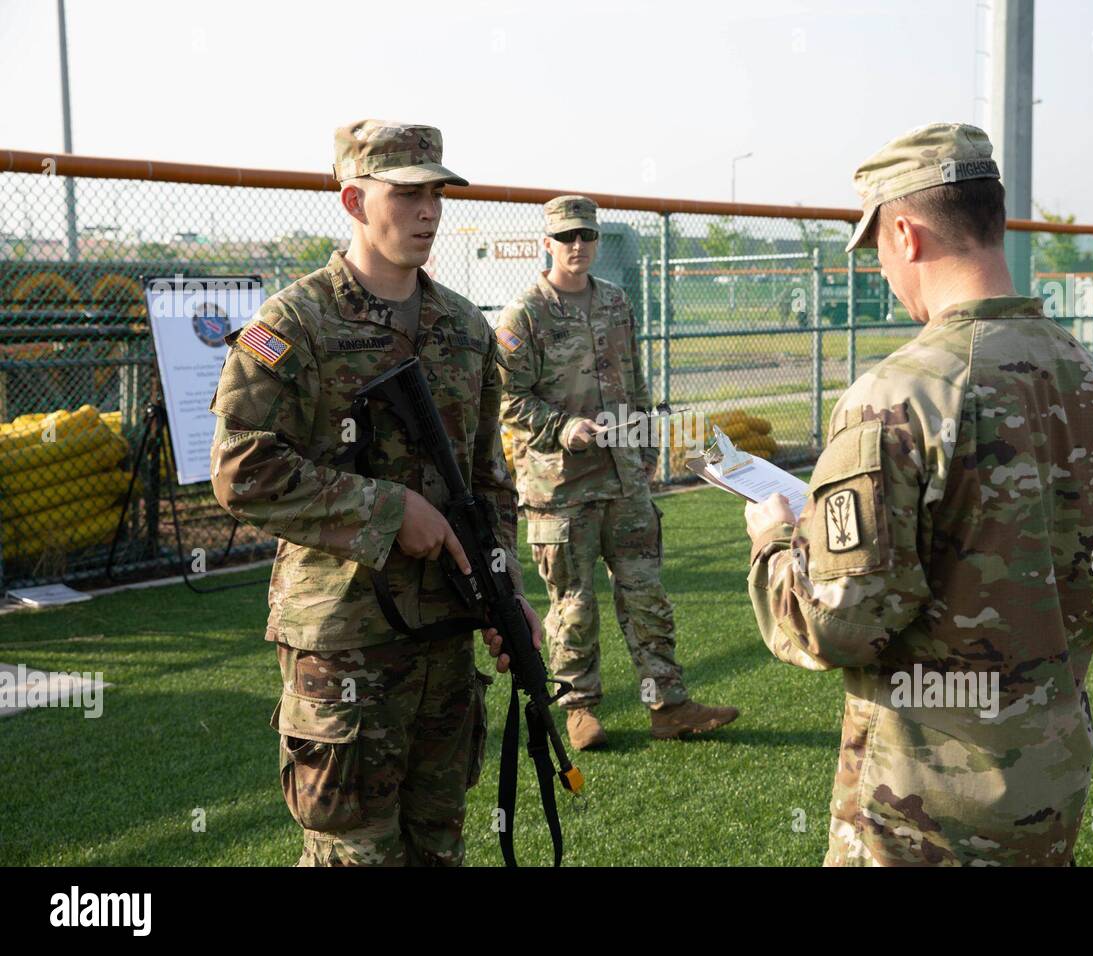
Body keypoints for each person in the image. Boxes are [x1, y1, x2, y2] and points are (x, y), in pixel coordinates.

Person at [743, 123, 1093, 865]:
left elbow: (834, 626)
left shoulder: (897, 395)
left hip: (922, 810)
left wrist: (772, 538)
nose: (884, 271)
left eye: (879, 251)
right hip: (1050, 780)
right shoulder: (1090, 378)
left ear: (905, 233)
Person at [209, 119, 541, 866]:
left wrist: (503, 590)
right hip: (346, 640)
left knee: (440, 843)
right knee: (353, 853)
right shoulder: (291, 325)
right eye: (409, 194)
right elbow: (241, 469)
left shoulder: (463, 326)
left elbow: (490, 480)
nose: (429, 212)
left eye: (438, 194)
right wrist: (387, 511)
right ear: (355, 200)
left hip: (446, 635)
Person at [493, 195, 738, 749]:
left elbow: (636, 380)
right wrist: (561, 426)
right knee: (573, 605)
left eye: (586, 236)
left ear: (597, 240)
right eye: (566, 237)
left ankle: (668, 704)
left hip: (624, 478)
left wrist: (647, 445)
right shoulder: (525, 313)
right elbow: (507, 397)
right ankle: (580, 710)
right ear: (547, 243)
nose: (577, 246)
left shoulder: (616, 303)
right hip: (561, 487)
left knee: (646, 594)